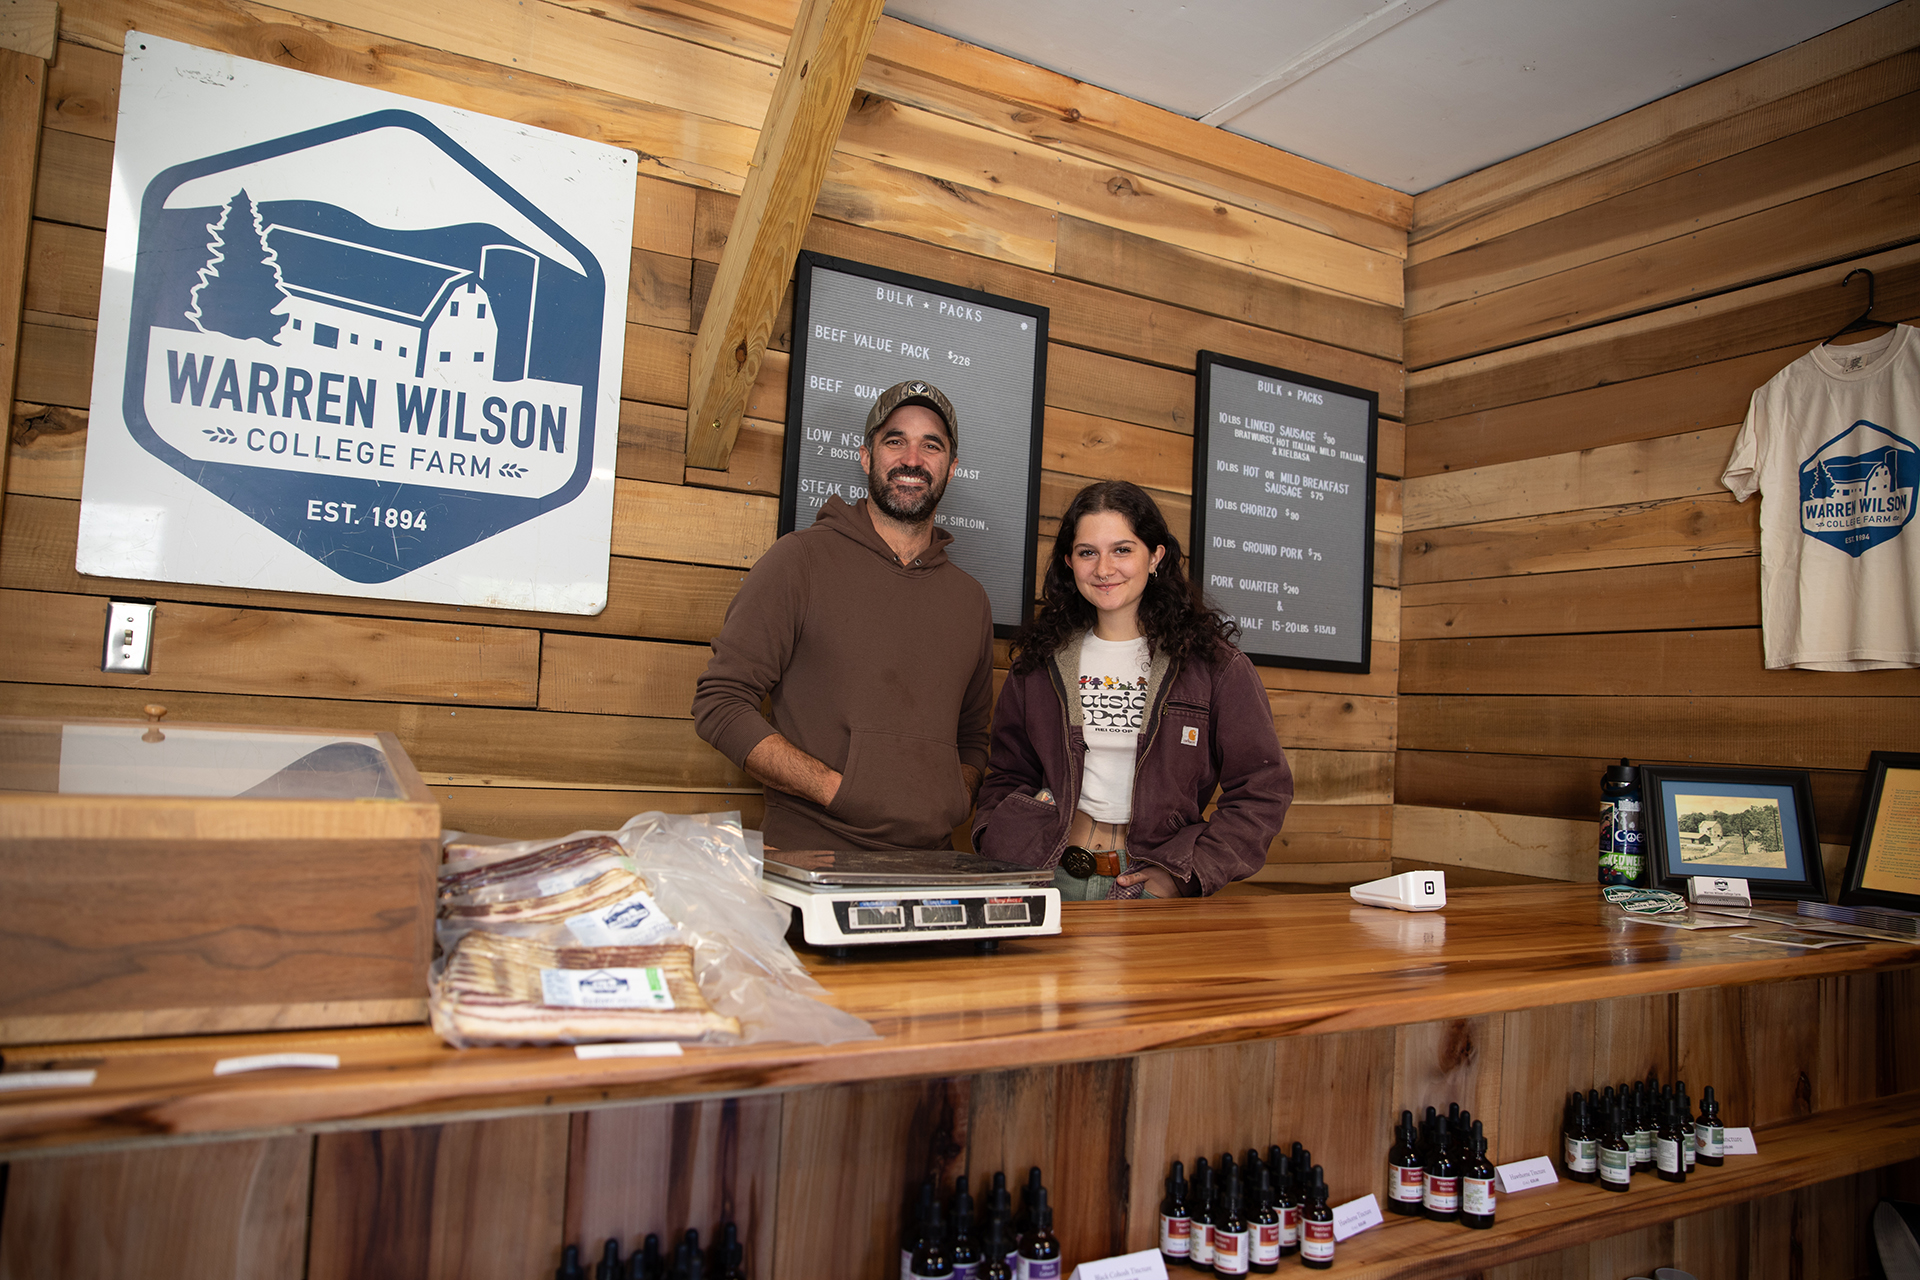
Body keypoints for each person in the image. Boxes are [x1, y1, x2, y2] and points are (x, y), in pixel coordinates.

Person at [692, 380, 994, 851]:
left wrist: (955, 796)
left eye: (930, 445)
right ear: (866, 457)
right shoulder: (799, 561)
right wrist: (837, 790)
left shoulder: (971, 600)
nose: (912, 459)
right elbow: (721, 704)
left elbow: (973, 736)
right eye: (895, 441)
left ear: (951, 469)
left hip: (932, 867)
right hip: (815, 860)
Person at [973, 480, 1292, 898]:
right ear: (1069, 561)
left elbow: (1263, 787)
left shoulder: (1214, 666)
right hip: (1044, 875)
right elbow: (1008, 773)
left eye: (1122, 549)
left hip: (1149, 882)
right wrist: (995, 838)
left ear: (1155, 556)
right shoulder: (1038, 663)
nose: (1104, 569)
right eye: (1088, 552)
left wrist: (1190, 873)